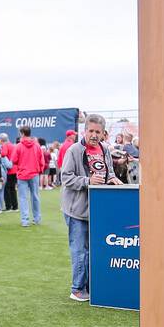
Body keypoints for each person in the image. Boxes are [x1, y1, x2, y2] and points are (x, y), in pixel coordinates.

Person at [59, 114, 120, 302]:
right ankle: (77, 289)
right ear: (84, 131)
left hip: (98, 209)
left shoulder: (105, 150)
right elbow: (66, 177)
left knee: (95, 250)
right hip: (76, 210)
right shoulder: (74, 150)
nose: (94, 135)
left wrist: (112, 179)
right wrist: (88, 181)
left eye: (98, 132)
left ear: (103, 134)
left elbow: (107, 171)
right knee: (80, 251)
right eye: (91, 131)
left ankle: (91, 286)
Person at [10, 125, 45, 227]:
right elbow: (41, 160)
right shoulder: (37, 145)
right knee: (35, 197)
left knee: (23, 198)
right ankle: (37, 219)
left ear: (22, 133)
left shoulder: (19, 146)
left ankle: (25, 220)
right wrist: (40, 170)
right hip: (34, 173)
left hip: (22, 174)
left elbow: (14, 160)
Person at [0, 132, 19, 211]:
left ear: (1, 140)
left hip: (9, 170)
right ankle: (15, 206)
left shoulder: (5, 145)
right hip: (15, 169)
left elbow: (4, 153)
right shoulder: (12, 145)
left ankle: (8, 206)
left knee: (7, 189)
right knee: (13, 189)